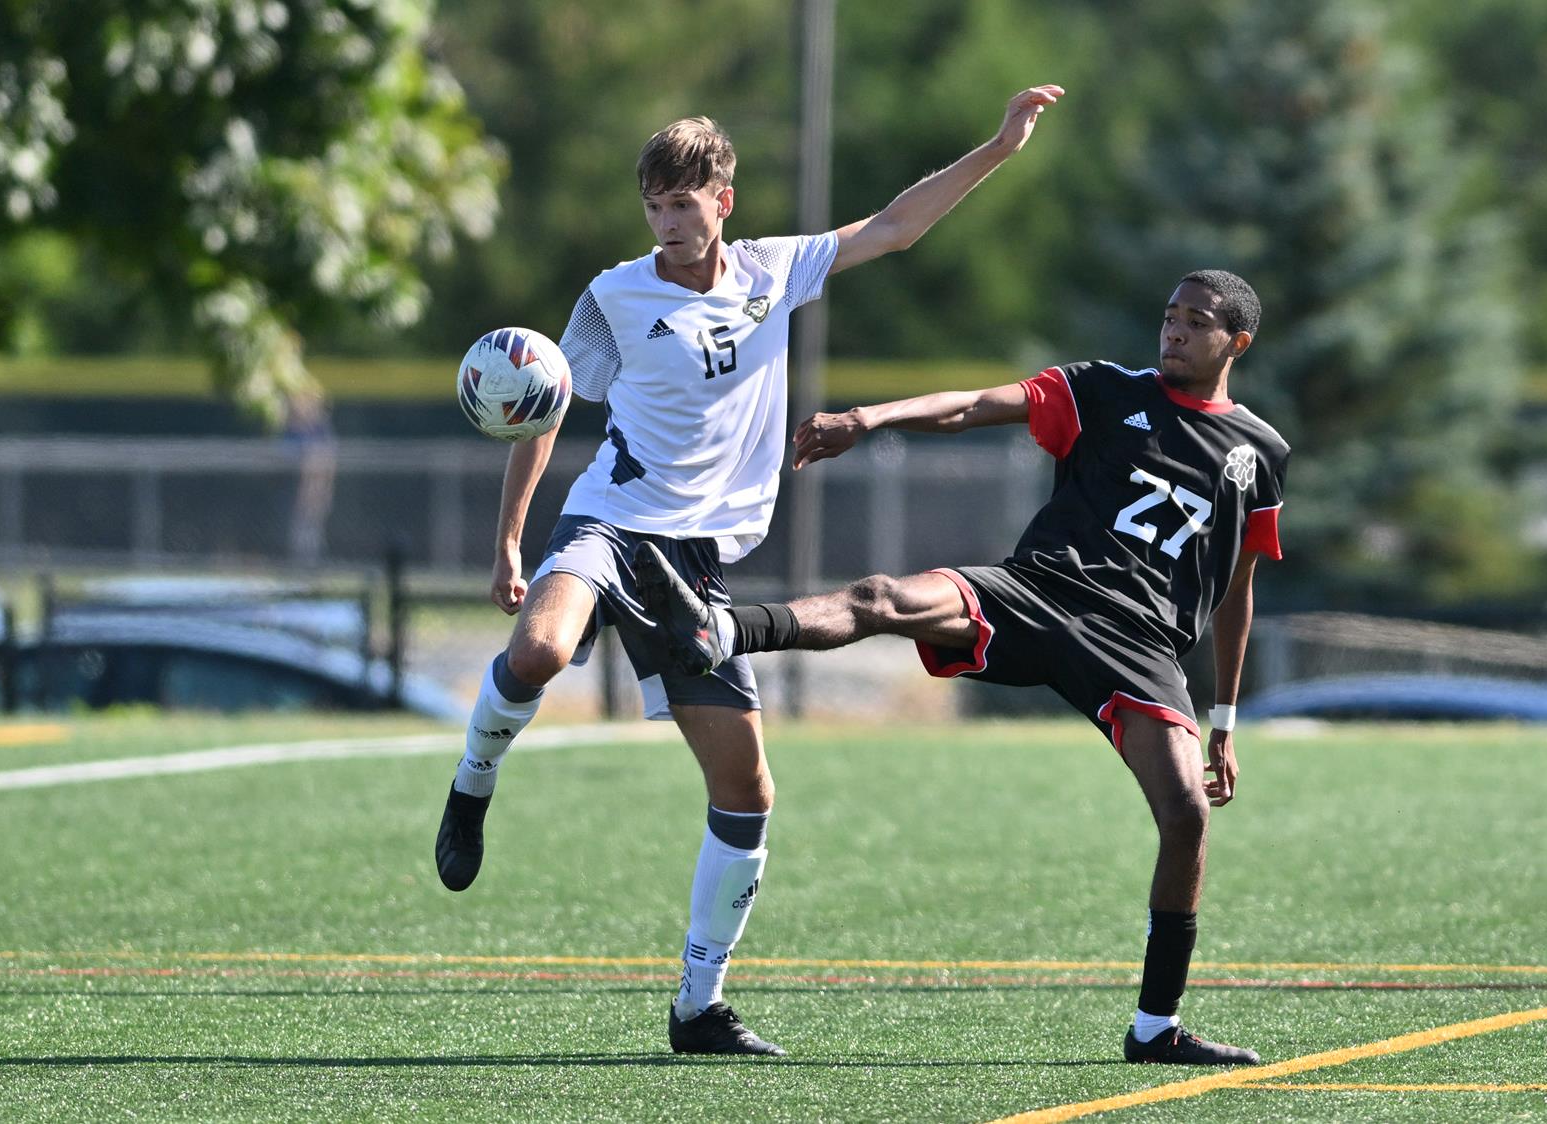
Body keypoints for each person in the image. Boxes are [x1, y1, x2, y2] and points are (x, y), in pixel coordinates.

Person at [434, 85, 1066, 1058]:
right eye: (653, 207)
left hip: (698, 560)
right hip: (613, 519)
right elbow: (548, 402)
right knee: (541, 649)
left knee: (747, 790)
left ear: (721, 200)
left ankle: (699, 1007)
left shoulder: (775, 269)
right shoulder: (612, 294)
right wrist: (510, 539)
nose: (668, 224)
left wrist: (996, 146)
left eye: (683, 205)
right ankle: (472, 785)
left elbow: (895, 227)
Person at [635, 269, 1286, 1066]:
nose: (1175, 331)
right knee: (881, 597)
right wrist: (868, 417)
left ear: (1237, 342)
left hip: (1141, 646)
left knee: (1187, 814)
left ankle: (1156, 1028)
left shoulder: (1260, 453)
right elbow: (978, 405)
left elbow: (1237, 590)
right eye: (1170, 316)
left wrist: (1223, 721)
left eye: (1197, 322)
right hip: (1038, 590)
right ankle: (718, 634)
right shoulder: (1106, 391)